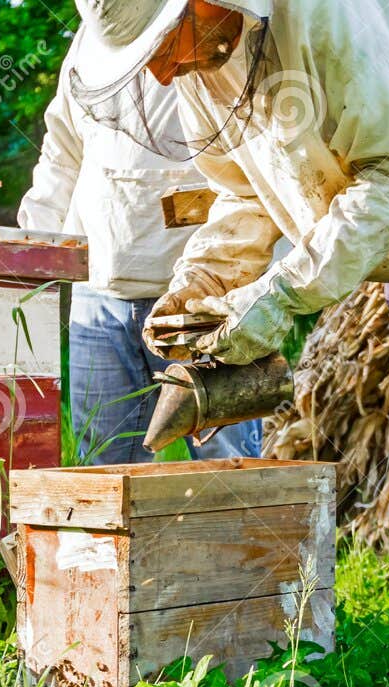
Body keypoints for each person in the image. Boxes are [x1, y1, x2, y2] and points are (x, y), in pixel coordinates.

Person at [68, 0, 389, 687]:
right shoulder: (199, 64)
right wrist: (199, 286)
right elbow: (242, 194)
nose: (154, 70)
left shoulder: (325, 17)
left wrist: (275, 301)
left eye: (156, 43)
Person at [18, 34, 262, 464]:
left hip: (205, 293)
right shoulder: (90, 40)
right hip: (99, 294)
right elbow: (62, 150)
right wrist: (30, 248)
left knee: (231, 474)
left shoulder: (211, 22)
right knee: (106, 475)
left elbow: (259, 152)